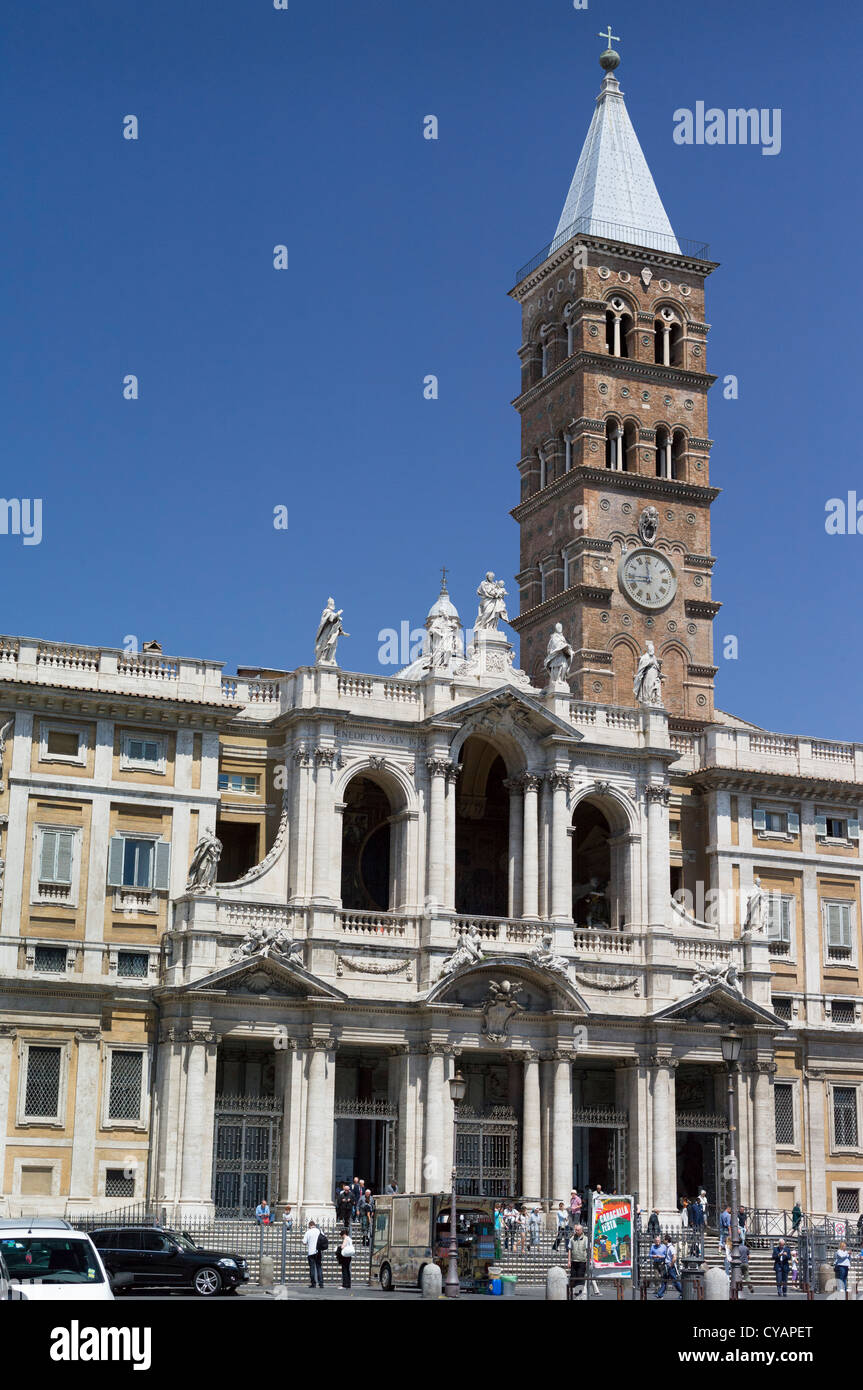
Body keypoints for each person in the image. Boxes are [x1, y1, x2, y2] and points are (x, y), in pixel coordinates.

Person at [568, 1223, 588, 1298]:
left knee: (580, 1276)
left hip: (582, 1261)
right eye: (576, 1230)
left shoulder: (586, 1239)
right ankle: (572, 1291)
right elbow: (569, 1249)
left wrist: (588, 1260)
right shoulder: (572, 1238)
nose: (576, 1231)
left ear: (582, 1230)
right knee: (573, 1276)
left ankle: (579, 1292)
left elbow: (588, 1250)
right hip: (574, 1261)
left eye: (578, 1230)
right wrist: (569, 1261)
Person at [303, 1220, 324, 1288]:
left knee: (312, 1268)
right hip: (318, 1251)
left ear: (309, 1226)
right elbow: (324, 1238)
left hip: (311, 1252)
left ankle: (313, 1283)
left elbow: (304, 1242)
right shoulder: (319, 1231)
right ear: (314, 1225)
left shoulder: (308, 1232)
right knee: (319, 1267)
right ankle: (321, 1283)